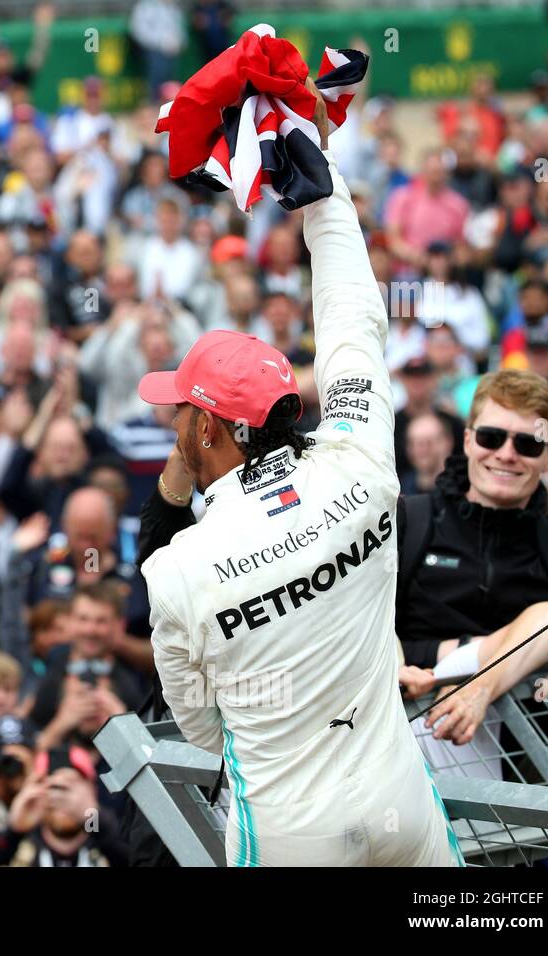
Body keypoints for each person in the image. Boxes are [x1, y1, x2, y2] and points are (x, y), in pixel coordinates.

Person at [136, 88, 462, 866]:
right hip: (401, 803)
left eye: (183, 408)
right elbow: (354, 318)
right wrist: (326, 188)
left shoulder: (177, 570)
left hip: (289, 833)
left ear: (208, 427)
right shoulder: (361, 460)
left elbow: (201, 728)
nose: (172, 420)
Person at [395, 370, 548, 745]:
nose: (506, 454)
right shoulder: (410, 523)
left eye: (528, 445)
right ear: (468, 440)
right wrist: (474, 649)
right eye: (491, 437)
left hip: (530, 773)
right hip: (407, 749)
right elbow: (358, 635)